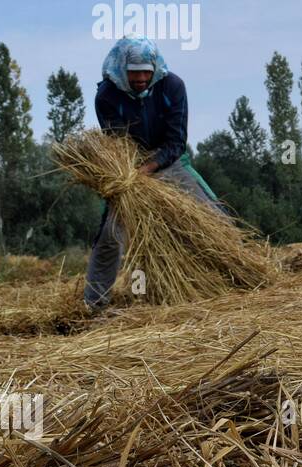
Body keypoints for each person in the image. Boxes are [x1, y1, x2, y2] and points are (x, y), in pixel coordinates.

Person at [84, 36, 226, 311]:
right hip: (129, 170)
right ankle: (94, 304)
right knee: (111, 234)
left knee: (214, 217)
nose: (140, 78)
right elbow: (115, 142)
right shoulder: (107, 95)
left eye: (145, 72)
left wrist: (149, 168)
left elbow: (175, 142)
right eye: (133, 72)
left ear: (155, 68)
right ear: (121, 69)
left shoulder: (172, 87)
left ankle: (235, 279)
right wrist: (130, 174)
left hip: (168, 160)